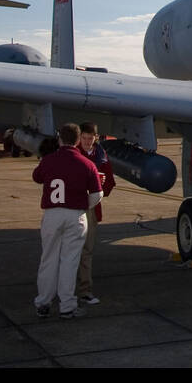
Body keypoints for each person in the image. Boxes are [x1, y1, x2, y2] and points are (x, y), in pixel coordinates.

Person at [32, 123, 102, 320]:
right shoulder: (87, 164)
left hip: (52, 214)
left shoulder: (48, 160)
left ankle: (43, 302)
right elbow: (97, 194)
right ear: (78, 141)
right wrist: (82, 205)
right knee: (70, 261)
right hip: (75, 215)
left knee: (48, 259)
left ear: (59, 139)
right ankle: (67, 306)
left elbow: (37, 177)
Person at [75, 122, 114, 307]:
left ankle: (85, 289)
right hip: (74, 206)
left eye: (91, 138)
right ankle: (66, 289)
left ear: (96, 138)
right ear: (79, 137)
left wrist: (100, 186)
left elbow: (110, 182)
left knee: (87, 250)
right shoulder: (74, 154)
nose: (87, 142)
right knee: (68, 250)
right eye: (84, 138)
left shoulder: (101, 155)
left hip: (92, 206)